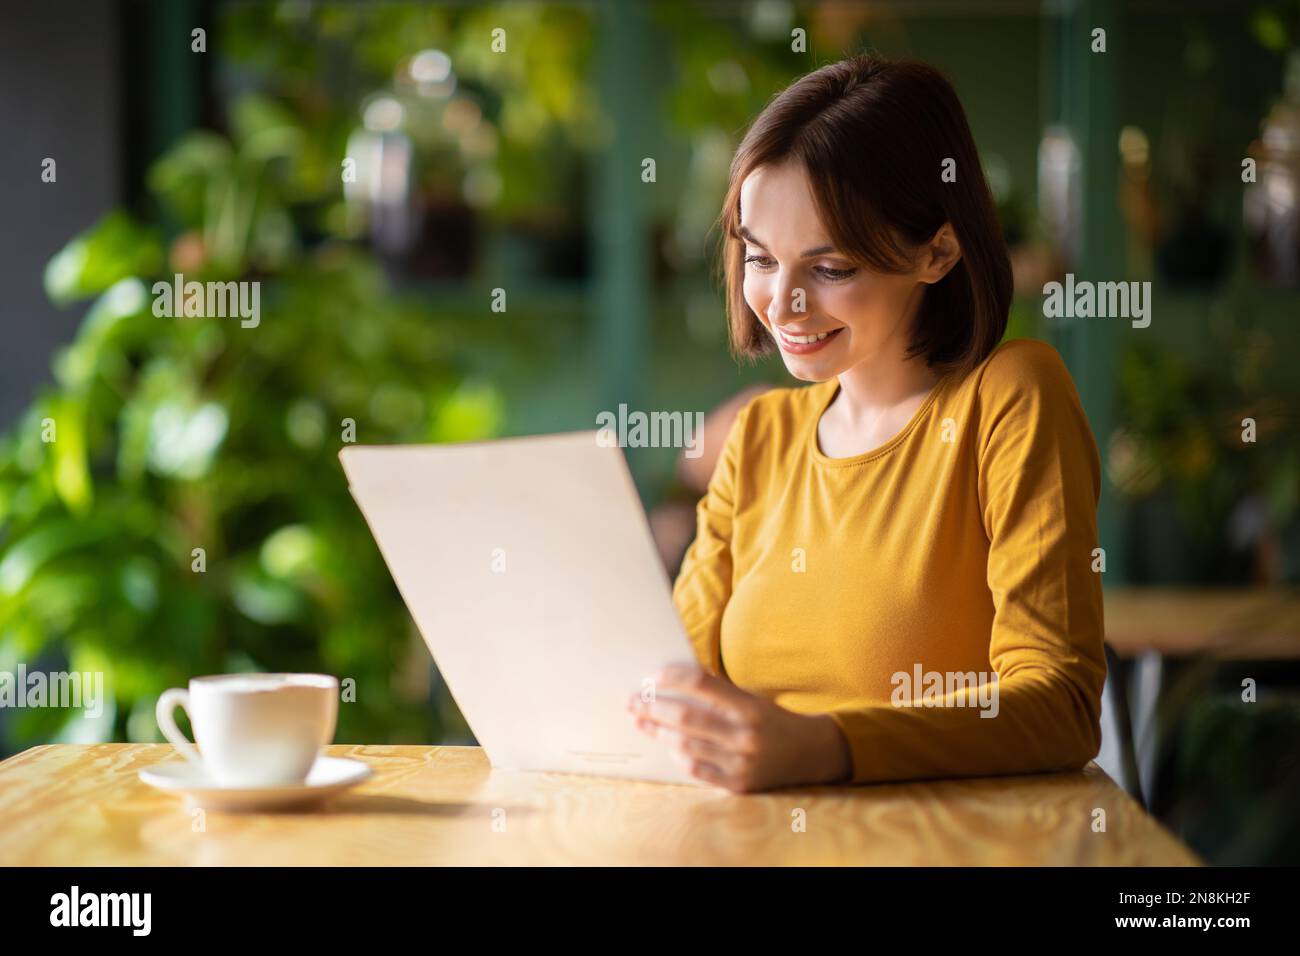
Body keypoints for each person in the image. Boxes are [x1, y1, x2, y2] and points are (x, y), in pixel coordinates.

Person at [625, 53, 1107, 792]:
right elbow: (676, 683)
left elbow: (1059, 705)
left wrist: (824, 745)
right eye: (760, 259)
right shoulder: (760, 438)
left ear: (937, 250)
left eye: (830, 269)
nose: (781, 304)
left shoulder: (1010, 397)